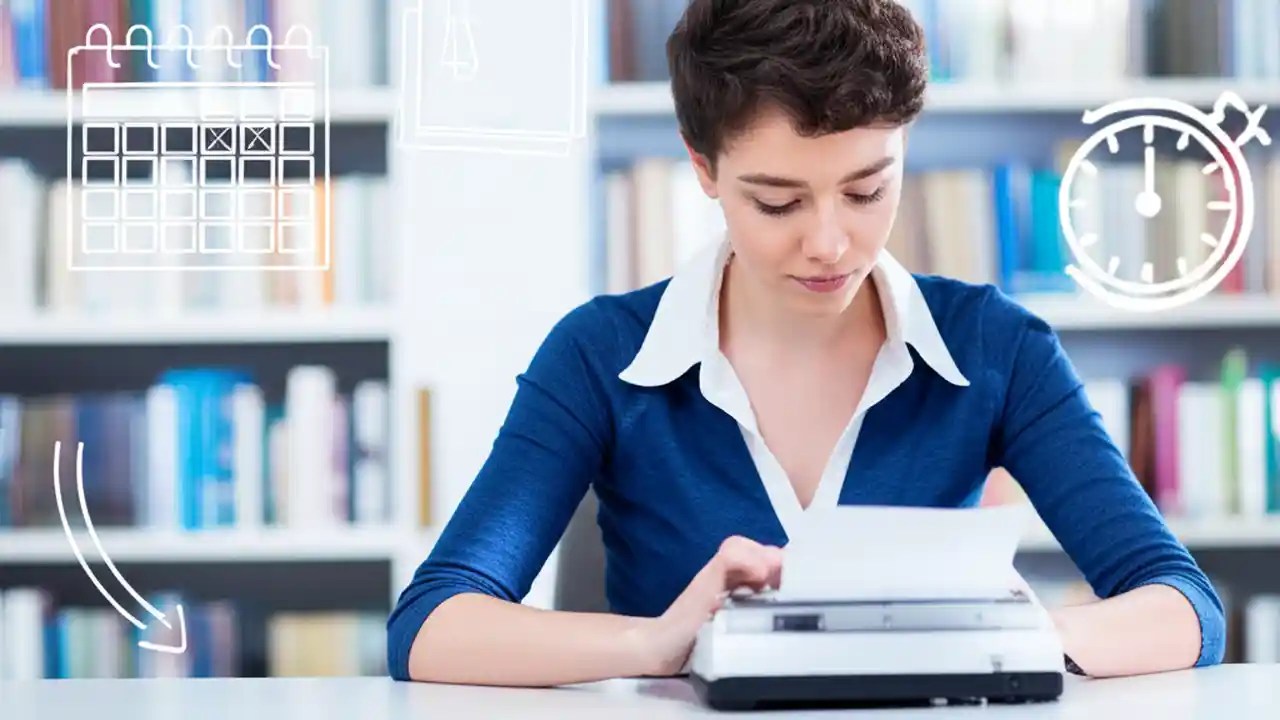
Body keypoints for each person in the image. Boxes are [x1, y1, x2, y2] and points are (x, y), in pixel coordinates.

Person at [387, 0, 1224, 686]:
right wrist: (657, 642)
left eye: (867, 190)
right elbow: (431, 625)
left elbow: (1185, 604)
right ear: (703, 168)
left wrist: (1018, 634)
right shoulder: (601, 354)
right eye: (778, 202)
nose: (829, 243)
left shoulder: (995, 347)